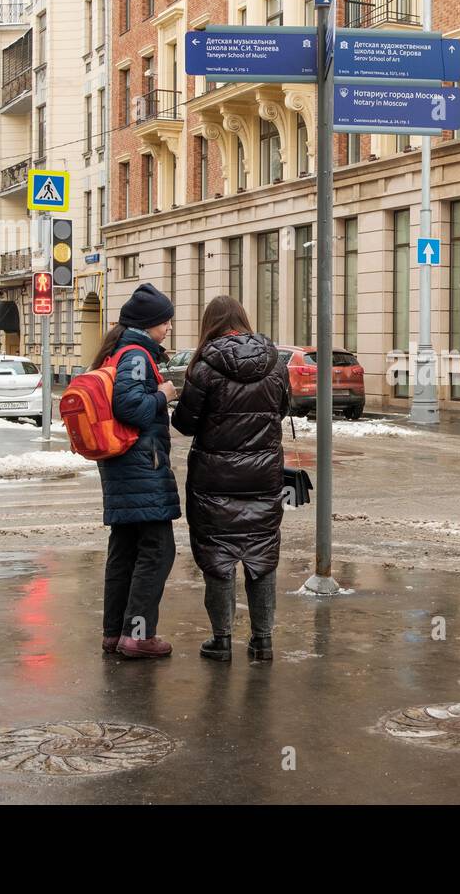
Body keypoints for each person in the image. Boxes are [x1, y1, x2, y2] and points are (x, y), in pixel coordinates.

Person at [171, 295, 290, 662]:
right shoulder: (275, 362)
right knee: (263, 552)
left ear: (211, 323)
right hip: (264, 476)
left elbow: (186, 425)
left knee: (218, 554)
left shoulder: (205, 366)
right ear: (243, 319)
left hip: (214, 479)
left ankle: (221, 641)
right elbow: (283, 409)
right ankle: (263, 640)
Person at [93, 283, 181, 658]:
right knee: (157, 550)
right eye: (166, 321)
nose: (169, 328)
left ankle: (115, 633)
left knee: (125, 549)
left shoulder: (118, 351)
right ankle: (138, 636)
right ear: (149, 324)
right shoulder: (135, 356)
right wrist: (166, 395)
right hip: (142, 467)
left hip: (122, 466)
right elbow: (131, 407)